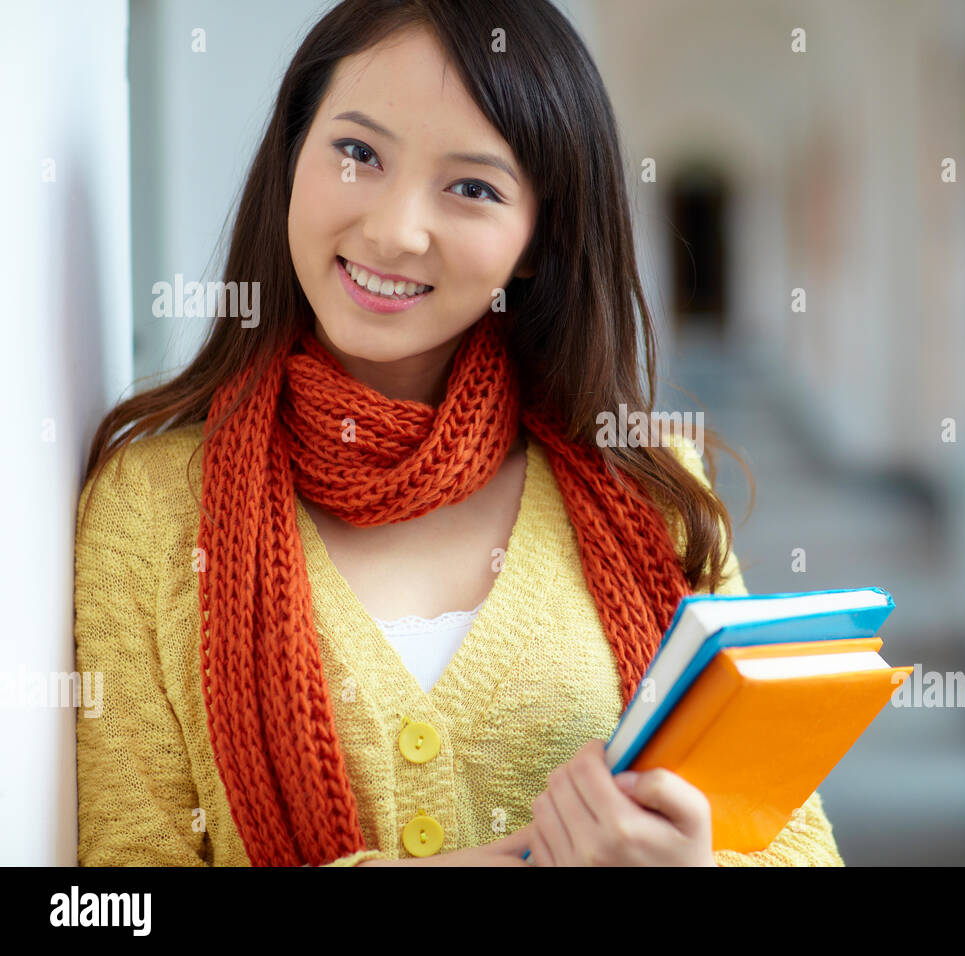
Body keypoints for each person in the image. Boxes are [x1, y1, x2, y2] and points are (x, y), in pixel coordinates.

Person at [74, 0, 844, 867]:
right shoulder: (147, 512)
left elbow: (795, 846)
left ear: (537, 240)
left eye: (472, 187)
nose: (396, 230)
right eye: (358, 153)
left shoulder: (651, 485)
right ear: (293, 156)